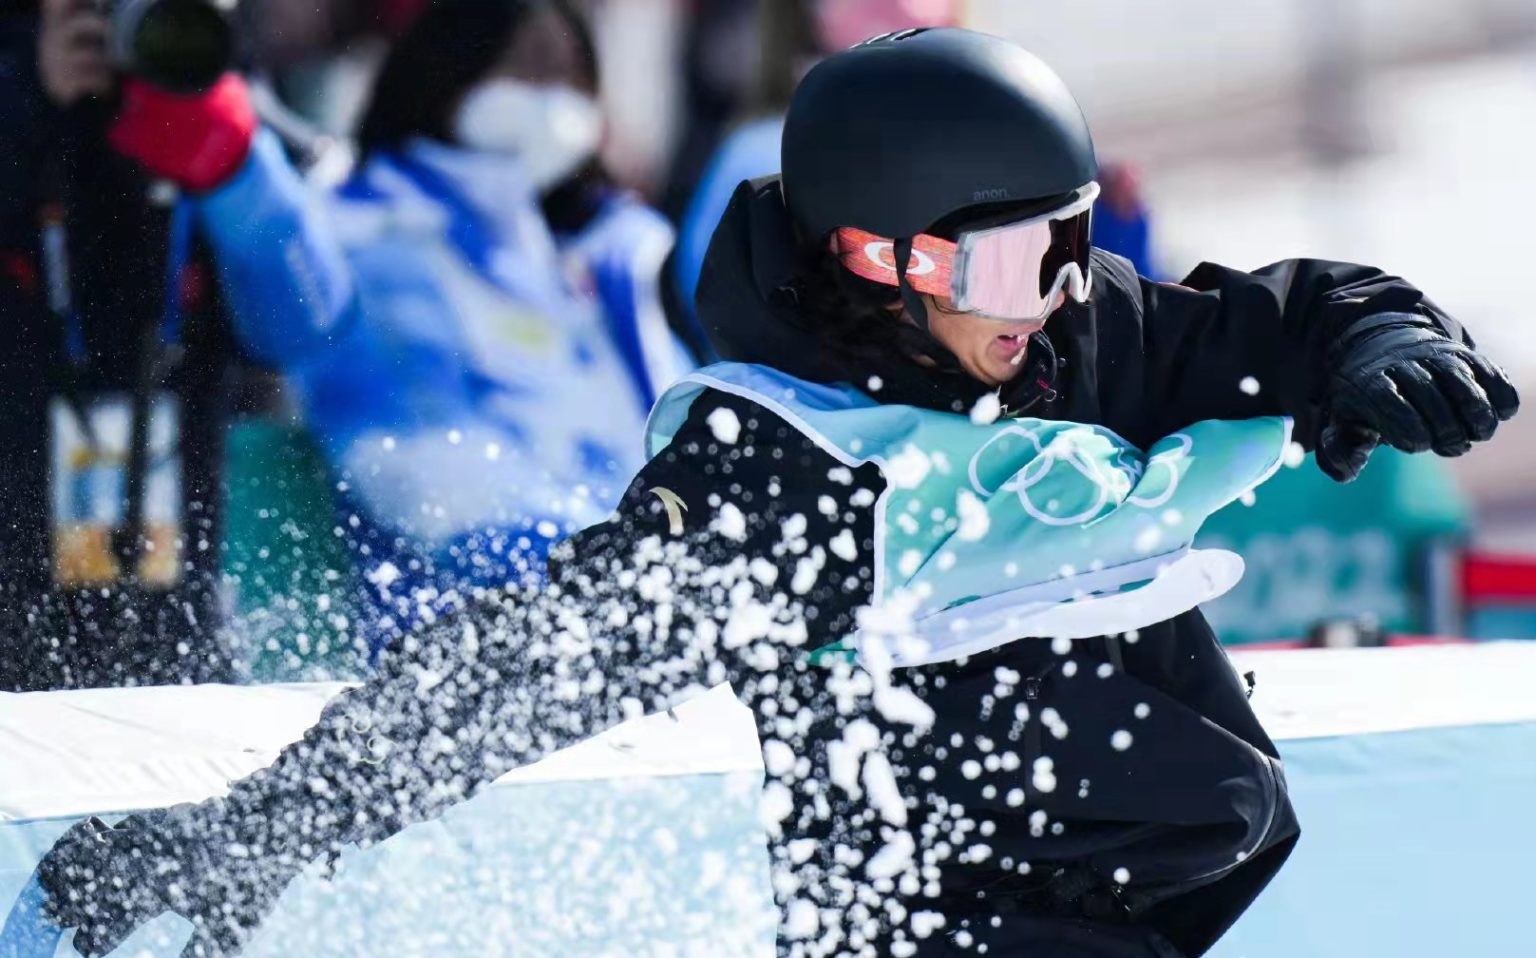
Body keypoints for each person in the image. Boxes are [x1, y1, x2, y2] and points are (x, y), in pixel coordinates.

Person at [35, 29, 1519, 958]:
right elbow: (519, 668)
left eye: (1072, 241)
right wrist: (256, 831)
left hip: (1183, 895)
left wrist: (1379, 344)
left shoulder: (1061, 335)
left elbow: (1283, 315)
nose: (1061, 294)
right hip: (953, 926)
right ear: (880, 256)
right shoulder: (778, 470)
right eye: (1019, 259)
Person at [104, 0, 692, 652]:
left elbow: (696, 437)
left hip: (637, 633)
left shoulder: (599, 262)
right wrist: (618, 576)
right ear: (447, 73)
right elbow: (425, 473)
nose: (554, 101)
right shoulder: (377, 235)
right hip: (471, 653)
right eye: (527, 69)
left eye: (572, 78)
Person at [0, 0, 243, 690]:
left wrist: (216, 135)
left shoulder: (204, 70)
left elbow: (303, 323)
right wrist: (27, 103)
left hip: (177, 591)